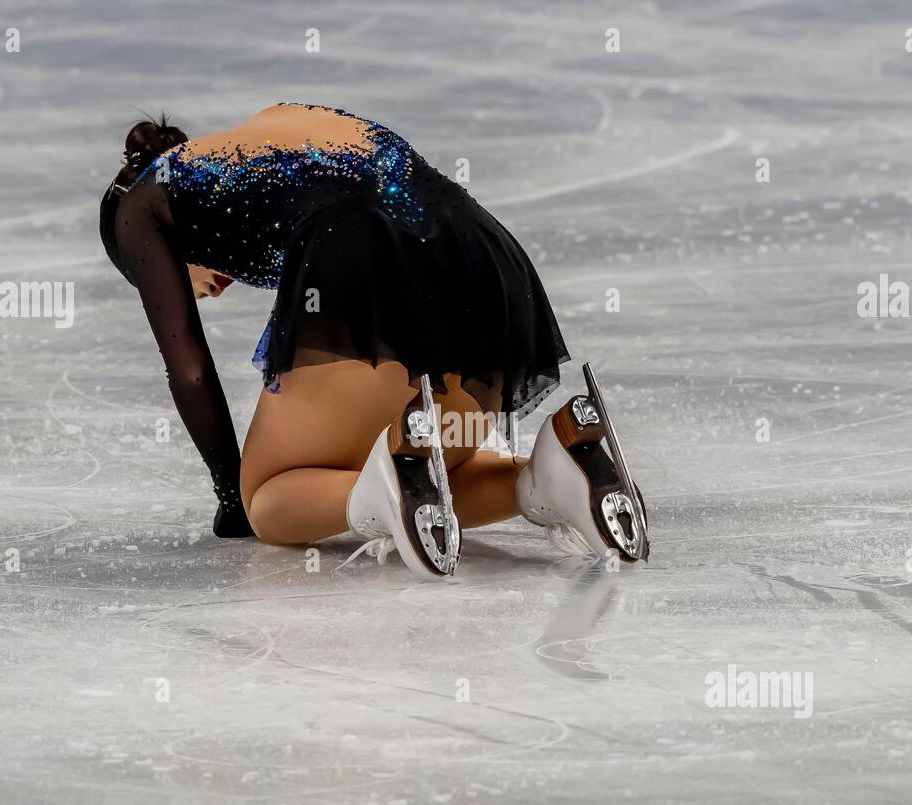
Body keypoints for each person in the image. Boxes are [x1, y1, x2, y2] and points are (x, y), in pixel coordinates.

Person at [98, 104, 648, 579]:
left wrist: (229, 498)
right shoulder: (266, 130)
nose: (204, 295)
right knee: (437, 468)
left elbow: (190, 371)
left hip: (365, 256)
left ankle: (380, 496)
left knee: (267, 498)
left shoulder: (136, 208)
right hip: (489, 265)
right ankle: (544, 480)